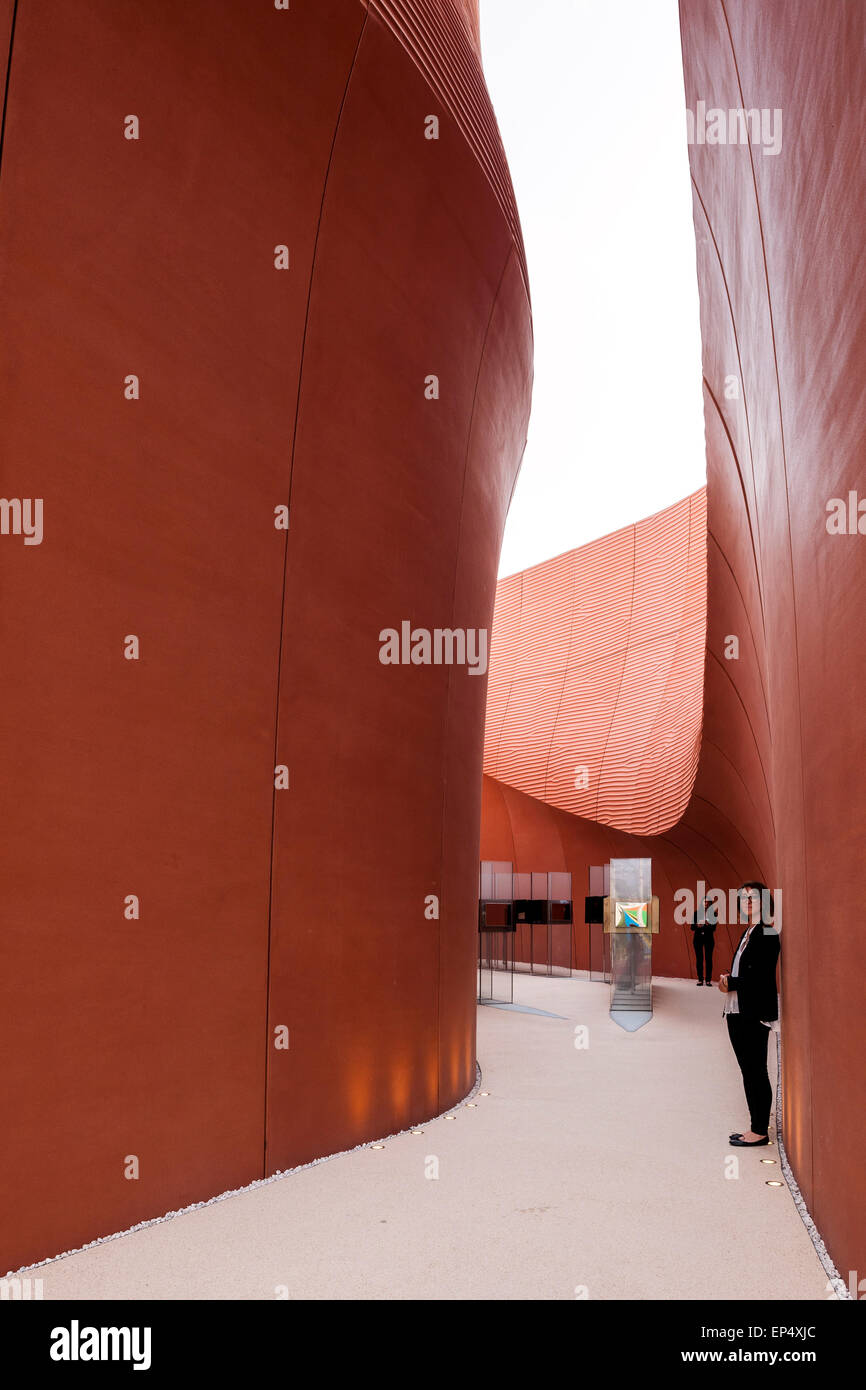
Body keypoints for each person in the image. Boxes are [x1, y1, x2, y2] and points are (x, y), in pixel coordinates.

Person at [717, 882, 780, 1147]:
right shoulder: (749, 932)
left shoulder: (768, 932)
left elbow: (761, 978)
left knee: (756, 1070)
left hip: (753, 1012)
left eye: (753, 897)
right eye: (743, 898)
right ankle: (755, 1126)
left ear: (765, 902)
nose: (748, 902)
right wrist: (729, 982)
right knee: (748, 1070)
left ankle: (759, 1131)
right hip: (737, 1009)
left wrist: (732, 982)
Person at [690, 892, 717, 985]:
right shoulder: (696, 913)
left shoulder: (714, 914)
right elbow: (692, 927)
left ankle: (708, 980)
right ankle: (700, 979)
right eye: (704, 902)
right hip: (698, 939)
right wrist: (698, 925)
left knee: (709, 959)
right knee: (699, 959)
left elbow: (714, 928)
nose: (705, 904)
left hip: (709, 939)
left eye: (707, 902)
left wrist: (707, 924)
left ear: (710, 904)